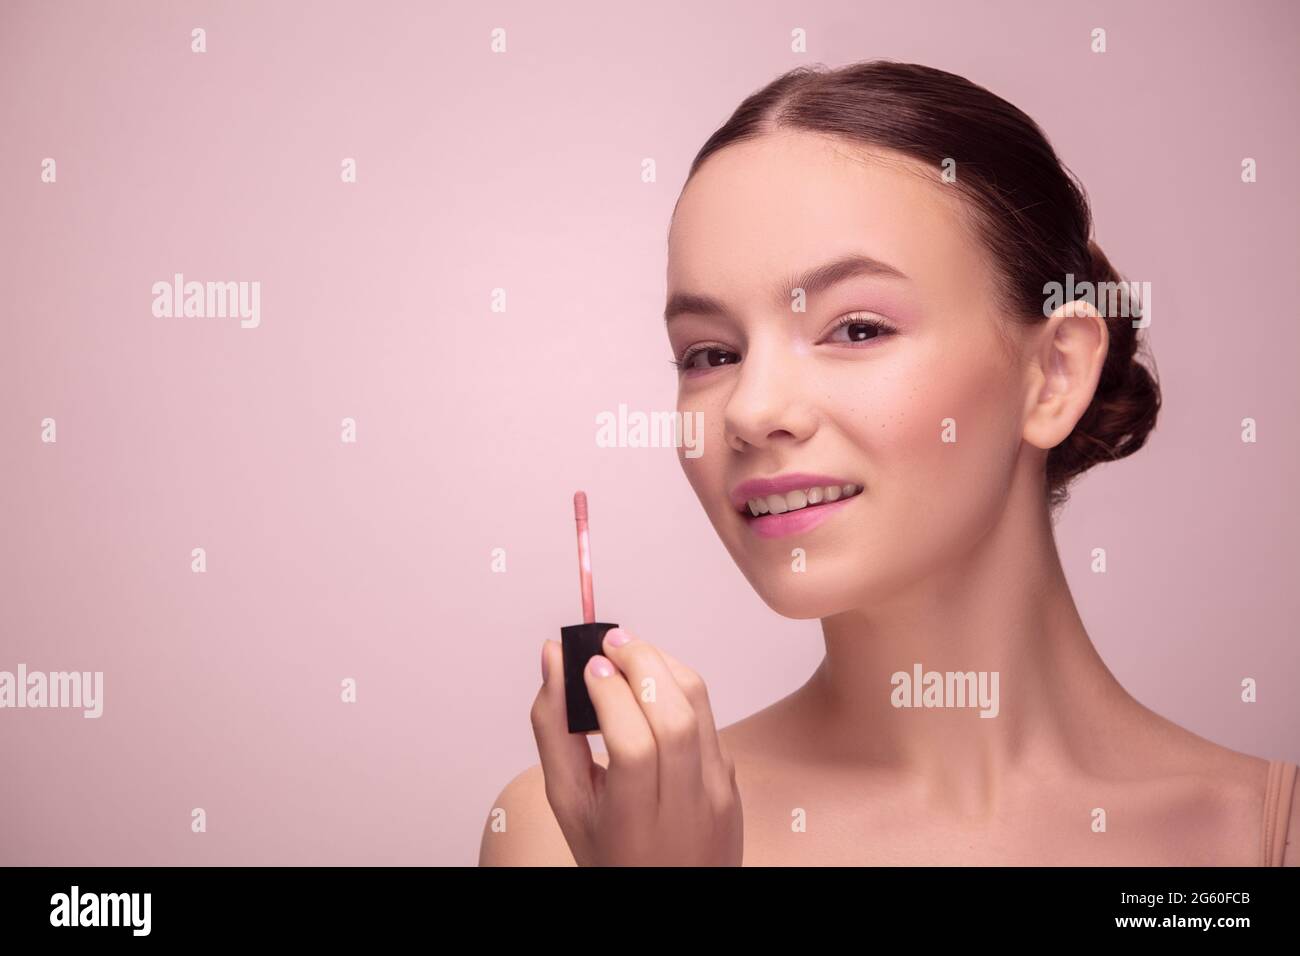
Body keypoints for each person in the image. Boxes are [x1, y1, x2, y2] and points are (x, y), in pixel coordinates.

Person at [479, 60, 1298, 866]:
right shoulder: (575, 834)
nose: (754, 410)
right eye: (709, 353)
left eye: (858, 329)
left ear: (1052, 375)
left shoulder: (1266, 838)